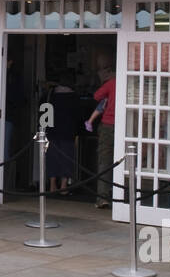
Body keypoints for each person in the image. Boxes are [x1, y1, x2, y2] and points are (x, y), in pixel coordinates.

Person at [85, 67, 117, 206]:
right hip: (127, 125)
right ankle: (126, 195)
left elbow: (96, 96)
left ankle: (102, 197)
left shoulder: (112, 83)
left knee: (105, 160)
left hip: (108, 125)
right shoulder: (130, 82)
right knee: (128, 161)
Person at [45, 79, 79, 193]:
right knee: (67, 157)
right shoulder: (74, 98)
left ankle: (52, 184)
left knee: (52, 157)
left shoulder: (49, 96)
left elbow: (43, 112)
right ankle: (64, 186)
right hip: (68, 131)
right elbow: (78, 116)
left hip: (51, 130)